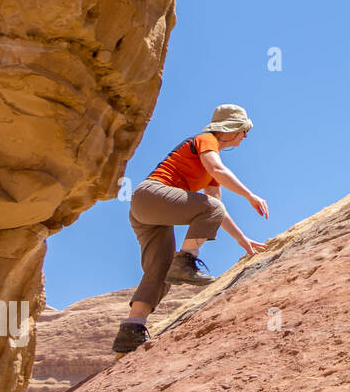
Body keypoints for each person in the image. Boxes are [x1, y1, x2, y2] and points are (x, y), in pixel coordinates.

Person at [112, 104, 269, 354]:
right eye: (243, 130)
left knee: (160, 271)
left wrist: (243, 239)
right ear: (229, 129)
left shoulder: (211, 168)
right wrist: (250, 196)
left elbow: (218, 209)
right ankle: (185, 260)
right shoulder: (206, 140)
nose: (245, 136)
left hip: (147, 211)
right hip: (150, 196)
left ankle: (131, 330)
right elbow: (217, 176)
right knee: (207, 214)